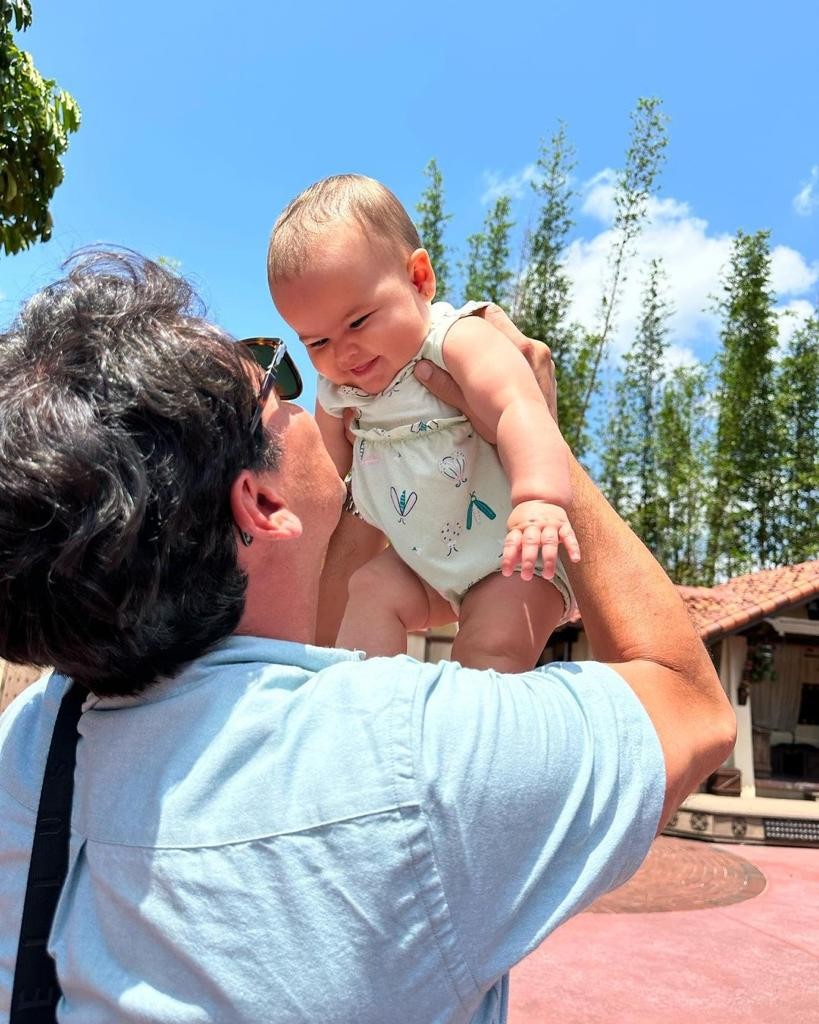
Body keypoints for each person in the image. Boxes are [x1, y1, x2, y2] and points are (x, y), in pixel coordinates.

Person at [0, 250, 735, 1024]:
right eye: (279, 380)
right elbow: (692, 708)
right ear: (258, 500)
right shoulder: (416, 756)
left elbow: (330, 583)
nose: (322, 380)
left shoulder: (31, 741)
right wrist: (535, 438)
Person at [268, 174, 579, 671]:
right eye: (316, 343)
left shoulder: (456, 340)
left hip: (513, 550)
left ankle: (470, 736)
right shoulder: (339, 390)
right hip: (422, 559)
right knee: (368, 588)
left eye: (358, 322)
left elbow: (520, 405)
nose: (343, 352)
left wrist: (539, 498)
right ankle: (369, 705)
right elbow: (326, 479)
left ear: (419, 280)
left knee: (486, 655)